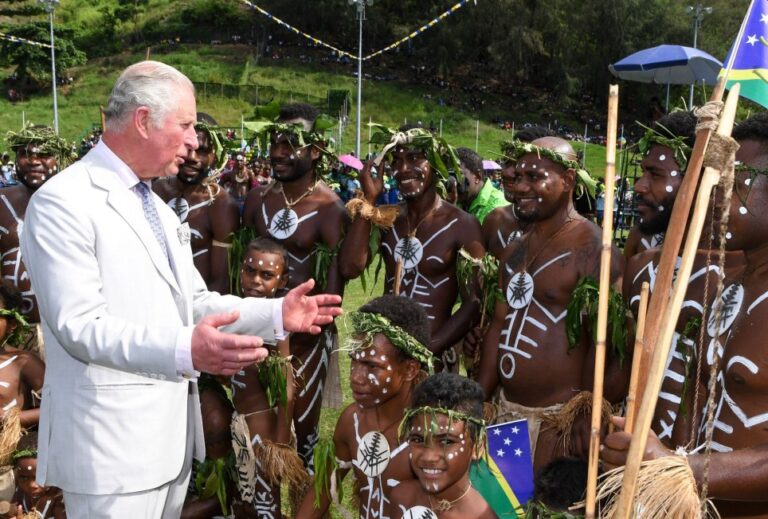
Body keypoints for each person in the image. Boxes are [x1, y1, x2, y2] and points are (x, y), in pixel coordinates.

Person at [19, 60, 342, 518]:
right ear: (143, 120)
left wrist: (274, 316)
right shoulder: (64, 202)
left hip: (167, 449)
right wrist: (185, 350)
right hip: (109, 451)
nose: (195, 140)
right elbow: (79, 326)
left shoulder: (154, 205)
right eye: (187, 124)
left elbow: (191, 302)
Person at [602, 113, 768, 518]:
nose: (712, 196)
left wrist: (677, 466)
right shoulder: (734, 286)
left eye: (732, 185)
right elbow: (695, 395)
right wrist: (664, 468)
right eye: (714, 183)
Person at [476, 137, 625, 472]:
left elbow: (612, 344)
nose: (521, 187)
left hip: (558, 424)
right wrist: (479, 396)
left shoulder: (594, 249)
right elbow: (499, 325)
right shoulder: (515, 249)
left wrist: (589, 412)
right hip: (505, 414)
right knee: (505, 508)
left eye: (535, 178)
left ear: (568, 181)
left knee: (548, 509)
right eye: (518, 178)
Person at [242, 103, 348, 473]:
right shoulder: (257, 200)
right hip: (254, 339)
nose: (278, 151)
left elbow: (333, 296)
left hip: (305, 346)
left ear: (315, 150)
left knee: (300, 441)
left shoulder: (330, 208)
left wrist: (295, 347)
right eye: (275, 141)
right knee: (252, 435)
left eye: (291, 144)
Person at [339, 124, 485, 369]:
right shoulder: (389, 218)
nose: (403, 169)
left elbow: (474, 303)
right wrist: (370, 199)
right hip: (385, 354)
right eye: (396, 160)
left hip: (432, 357)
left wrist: (425, 350)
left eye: (415, 158)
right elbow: (349, 268)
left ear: (437, 162)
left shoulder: (463, 225)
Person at [297, 295, 434, 519]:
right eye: (354, 361)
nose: (356, 377)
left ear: (410, 370)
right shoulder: (352, 421)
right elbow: (323, 489)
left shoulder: (432, 433)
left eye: (372, 366)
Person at [229, 237, 304, 516]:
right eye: (250, 271)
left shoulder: (276, 321)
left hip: (266, 430)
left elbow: (286, 382)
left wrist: (281, 441)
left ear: (283, 280)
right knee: (245, 500)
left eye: (267, 275)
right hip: (241, 424)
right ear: (240, 270)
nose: (256, 281)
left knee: (266, 502)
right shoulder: (233, 310)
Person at [390, 373, 497, 519]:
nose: (429, 457)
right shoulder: (402, 498)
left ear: (477, 446)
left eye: (447, 442)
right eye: (418, 439)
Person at [154, 114, 239, 294]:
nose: (192, 156)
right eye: (186, 146)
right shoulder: (156, 191)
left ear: (215, 156)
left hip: (196, 309)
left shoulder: (220, 204)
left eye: (202, 150)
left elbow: (221, 282)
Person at [1, 124, 74, 326]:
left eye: (44, 154)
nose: (33, 161)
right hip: (14, 330)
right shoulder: (1, 202)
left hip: (72, 334)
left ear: (60, 157)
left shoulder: (80, 201)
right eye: (25, 154)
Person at [623, 111, 697, 260]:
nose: (638, 186)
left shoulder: (729, 261)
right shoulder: (639, 241)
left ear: (696, 180)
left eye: (656, 174)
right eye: (643, 172)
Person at [3, 432, 65, 519]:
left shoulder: (59, 499)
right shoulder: (21, 493)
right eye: (23, 478)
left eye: (40, 476)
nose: (32, 485)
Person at [448, 147, 508, 224]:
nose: (454, 183)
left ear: (477, 177)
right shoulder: (459, 200)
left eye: (459, 176)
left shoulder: (498, 208)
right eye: (450, 175)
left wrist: (451, 212)